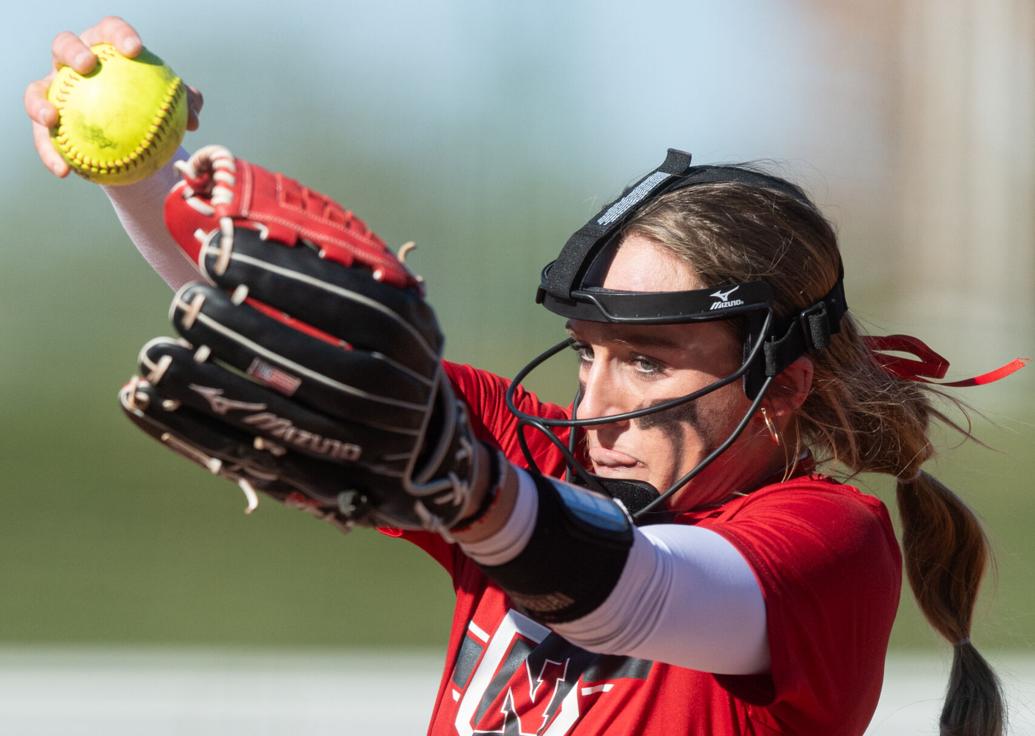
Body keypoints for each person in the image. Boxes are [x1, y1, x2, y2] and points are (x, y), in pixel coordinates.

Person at [26, 18, 1021, 736]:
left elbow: (633, 592)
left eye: (646, 359)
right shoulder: (536, 458)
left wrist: (471, 489)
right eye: (588, 351)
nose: (595, 406)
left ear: (784, 386)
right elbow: (289, 325)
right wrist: (142, 175)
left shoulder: (827, 540)